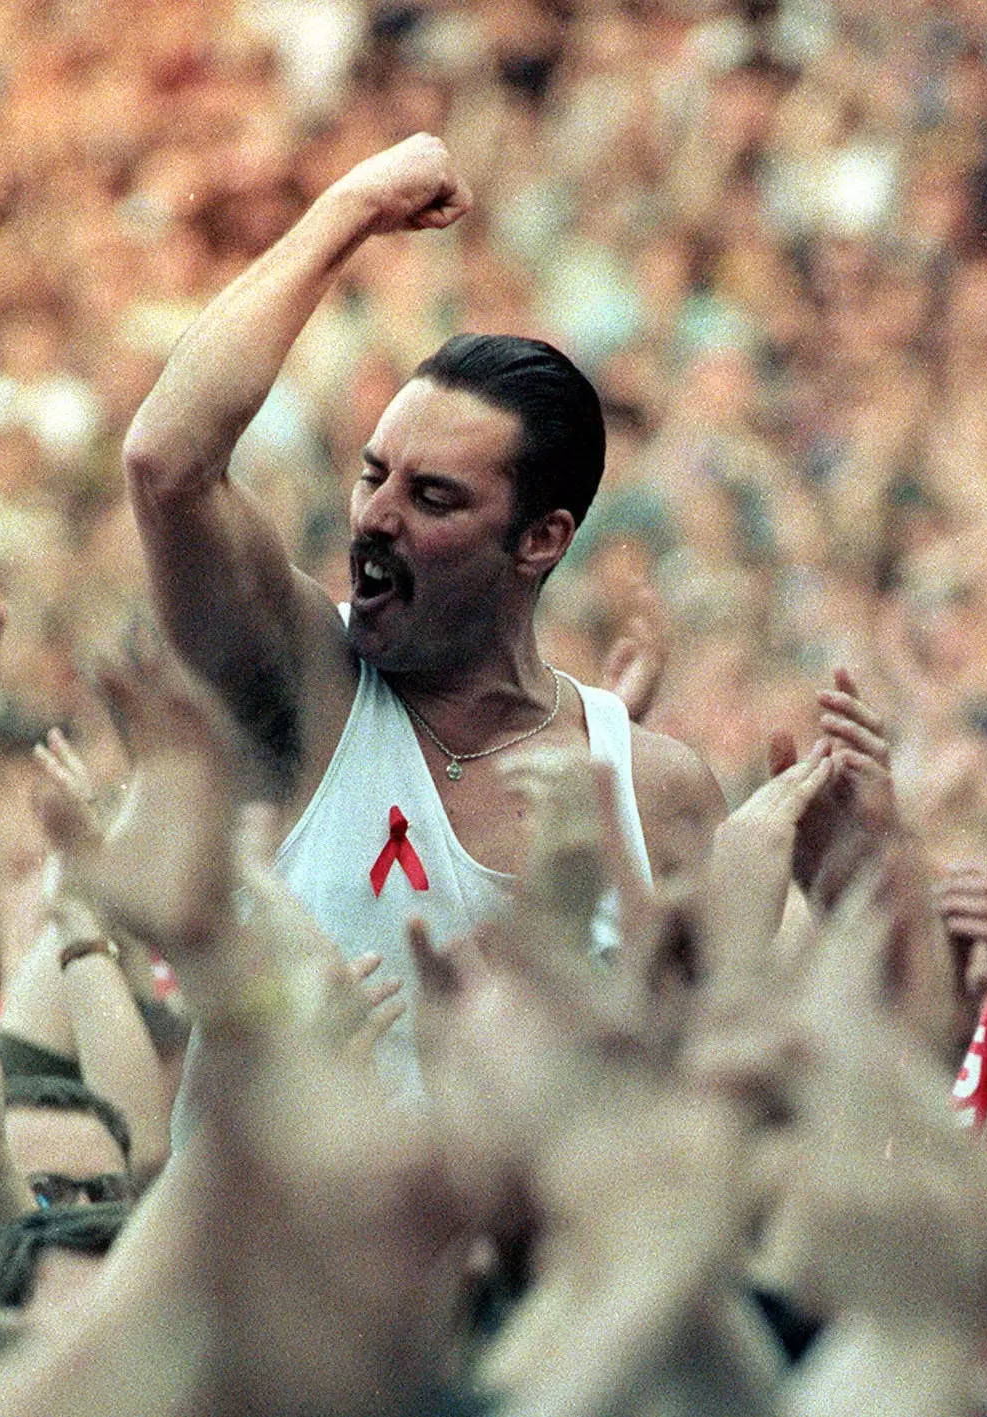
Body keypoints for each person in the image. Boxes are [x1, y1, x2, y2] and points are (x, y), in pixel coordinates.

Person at [123, 133, 724, 1081]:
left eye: (433, 497)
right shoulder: (308, 692)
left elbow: (712, 1101)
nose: (376, 519)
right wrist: (350, 208)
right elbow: (167, 460)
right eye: (373, 476)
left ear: (541, 538)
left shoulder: (655, 792)